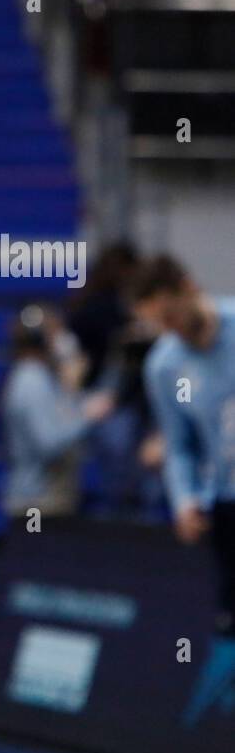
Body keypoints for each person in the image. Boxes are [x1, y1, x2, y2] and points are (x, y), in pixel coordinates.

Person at [133, 255, 235, 637]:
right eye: (160, 324)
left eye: (172, 317)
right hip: (226, 503)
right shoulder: (165, 366)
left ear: (189, 288)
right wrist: (185, 499)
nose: (170, 330)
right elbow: (178, 446)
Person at [1, 305, 114, 517]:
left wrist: (72, 387)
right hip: (37, 503)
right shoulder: (32, 381)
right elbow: (49, 442)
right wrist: (87, 416)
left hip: (45, 499)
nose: (62, 340)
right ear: (41, 340)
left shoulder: (39, 377)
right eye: (55, 333)